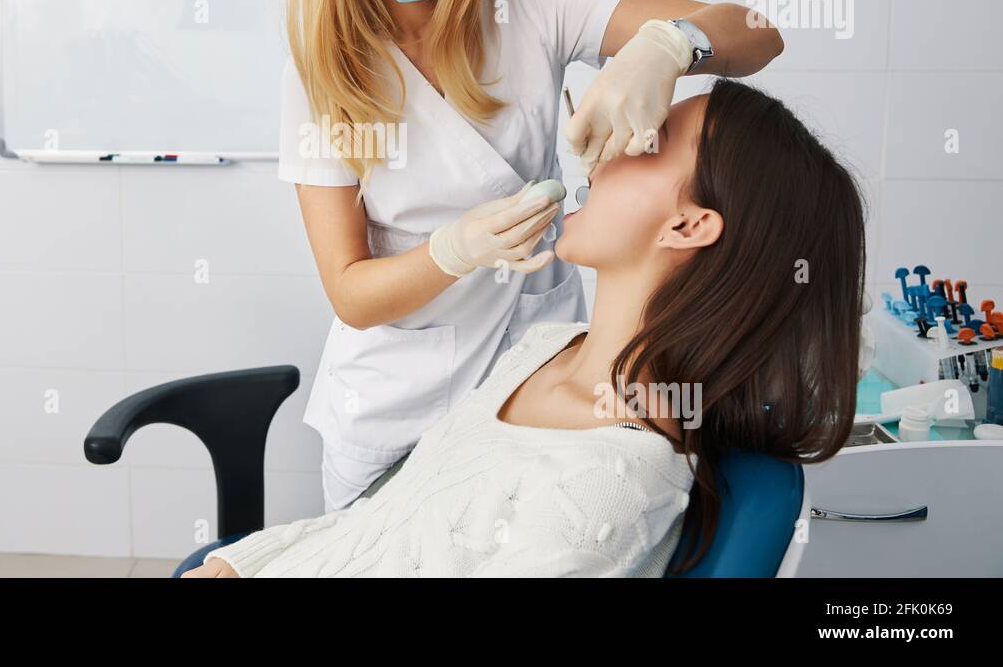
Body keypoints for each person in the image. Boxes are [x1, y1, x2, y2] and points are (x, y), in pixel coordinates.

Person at [281, 0, 784, 512]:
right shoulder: (324, 67)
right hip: (392, 411)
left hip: (532, 383)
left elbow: (762, 31)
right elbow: (351, 294)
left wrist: (672, 45)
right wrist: (453, 252)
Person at [182, 79, 866, 576]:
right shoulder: (545, 350)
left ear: (689, 224)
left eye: (648, 143)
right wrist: (246, 566)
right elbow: (389, 530)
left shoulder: (609, 483)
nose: (606, 155)